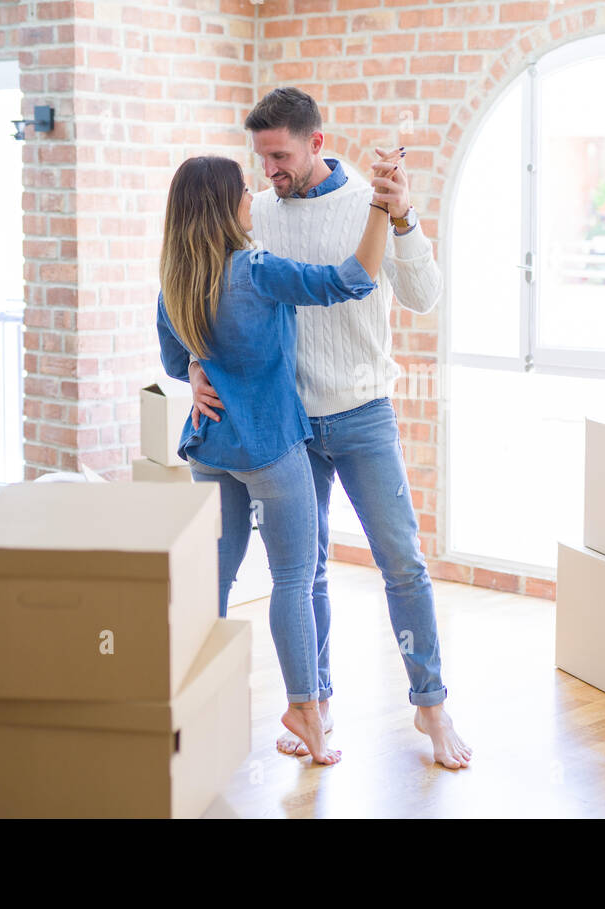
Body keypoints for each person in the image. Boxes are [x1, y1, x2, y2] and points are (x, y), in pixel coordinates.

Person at [186, 87, 472, 769]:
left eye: (280, 156)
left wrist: (401, 217)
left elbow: (424, 295)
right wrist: (193, 361)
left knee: (401, 563)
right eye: (262, 158)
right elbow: (209, 288)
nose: (271, 172)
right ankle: (317, 704)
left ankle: (431, 704)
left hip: (364, 412)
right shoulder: (260, 217)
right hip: (291, 426)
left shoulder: (366, 206)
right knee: (305, 571)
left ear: (317, 143)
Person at [156, 154, 397, 765]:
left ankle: (188, 703)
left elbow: (171, 358)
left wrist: (193, 367)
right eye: (242, 189)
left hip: (211, 449)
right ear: (220, 205)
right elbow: (352, 279)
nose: (252, 195)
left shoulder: (176, 280)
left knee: (213, 578)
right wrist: (378, 207)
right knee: (292, 579)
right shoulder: (255, 270)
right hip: (270, 446)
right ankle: (306, 712)